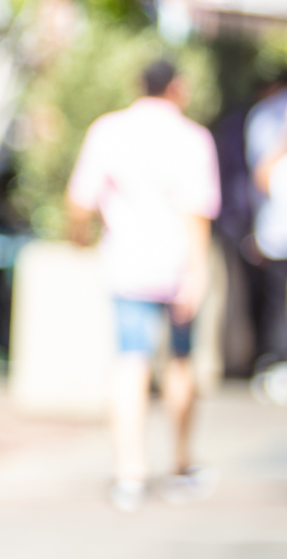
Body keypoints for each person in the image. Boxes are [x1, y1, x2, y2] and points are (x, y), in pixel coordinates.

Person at [67, 59, 219, 511]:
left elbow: (80, 201)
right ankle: (180, 463)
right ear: (177, 87)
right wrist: (198, 271)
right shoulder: (193, 138)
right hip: (176, 266)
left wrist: (79, 239)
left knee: (130, 361)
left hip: (127, 264)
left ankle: (129, 472)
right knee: (180, 362)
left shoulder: (109, 130)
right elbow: (198, 213)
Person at [242, 73, 287, 404]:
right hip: (276, 231)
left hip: (272, 229)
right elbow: (259, 175)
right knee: (275, 304)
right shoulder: (267, 117)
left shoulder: (263, 115)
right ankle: (274, 364)